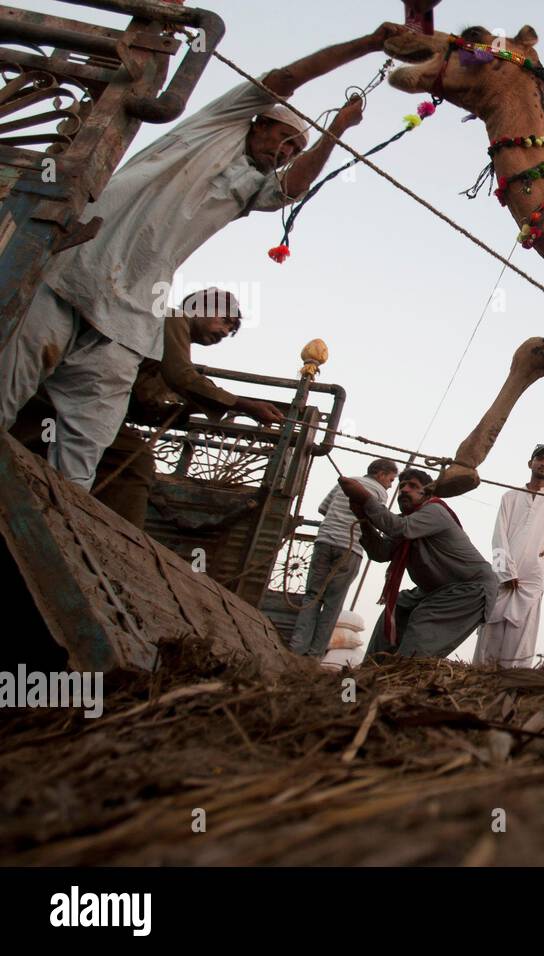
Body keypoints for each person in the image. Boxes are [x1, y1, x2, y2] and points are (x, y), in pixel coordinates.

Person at [0, 22, 408, 487]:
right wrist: (369, 44)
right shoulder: (218, 124)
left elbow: (292, 188)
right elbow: (286, 79)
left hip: (128, 319)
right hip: (72, 274)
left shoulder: (252, 187)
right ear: (259, 122)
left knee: (82, 454)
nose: (285, 152)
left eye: (295, 149)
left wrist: (334, 130)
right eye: (283, 138)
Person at [10, 287, 283, 526]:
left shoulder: (168, 336)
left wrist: (188, 408)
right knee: (134, 465)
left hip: (78, 401)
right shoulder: (175, 318)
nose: (225, 332)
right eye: (225, 321)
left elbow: (141, 405)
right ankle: (108, 544)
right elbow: (181, 375)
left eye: (230, 330)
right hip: (71, 397)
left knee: (125, 461)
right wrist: (241, 404)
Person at [338, 468, 497, 659]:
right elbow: (380, 553)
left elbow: (398, 528)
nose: (404, 489)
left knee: (424, 620)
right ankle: (373, 670)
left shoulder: (434, 511)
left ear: (427, 493)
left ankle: (402, 673)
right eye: (402, 485)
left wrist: (365, 498)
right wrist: (364, 520)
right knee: (397, 607)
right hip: (438, 590)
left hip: (471, 587)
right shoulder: (407, 521)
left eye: (413, 486)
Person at [474, 444, 544, 668]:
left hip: (533, 575)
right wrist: (504, 571)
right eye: (540, 459)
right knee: (491, 625)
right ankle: (480, 675)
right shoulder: (510, 496)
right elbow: (498, 536)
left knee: (522, 631)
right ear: (530, 463)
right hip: (503, 574)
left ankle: (513, 680)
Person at [288, 458, 398, 657]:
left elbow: (323, 509)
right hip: (350, 549)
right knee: (333, 603)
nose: (390, 486)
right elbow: (376, 519)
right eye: (390, 480)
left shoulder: (346, 481)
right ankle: (314, 656)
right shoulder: (379, 492)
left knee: (312, 596)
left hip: (324, 542)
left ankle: (296, 649)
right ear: (381, 475)